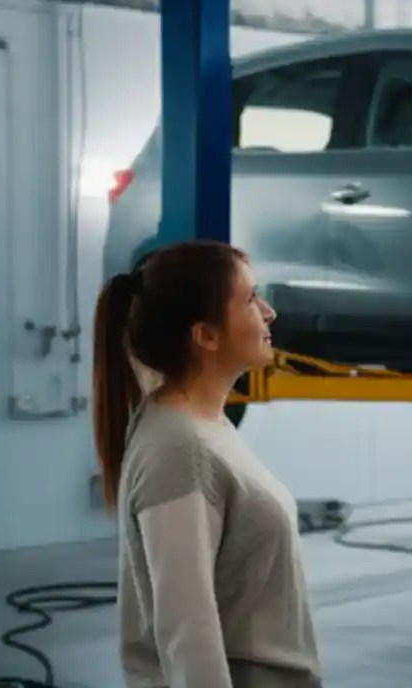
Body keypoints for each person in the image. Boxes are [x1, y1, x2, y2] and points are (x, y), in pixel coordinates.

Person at [91, 239, 323, 687]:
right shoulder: (179, 449)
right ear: (206, 335)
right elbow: (187, 634)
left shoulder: (199, 424)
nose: (269, 312)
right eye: (251, 299)